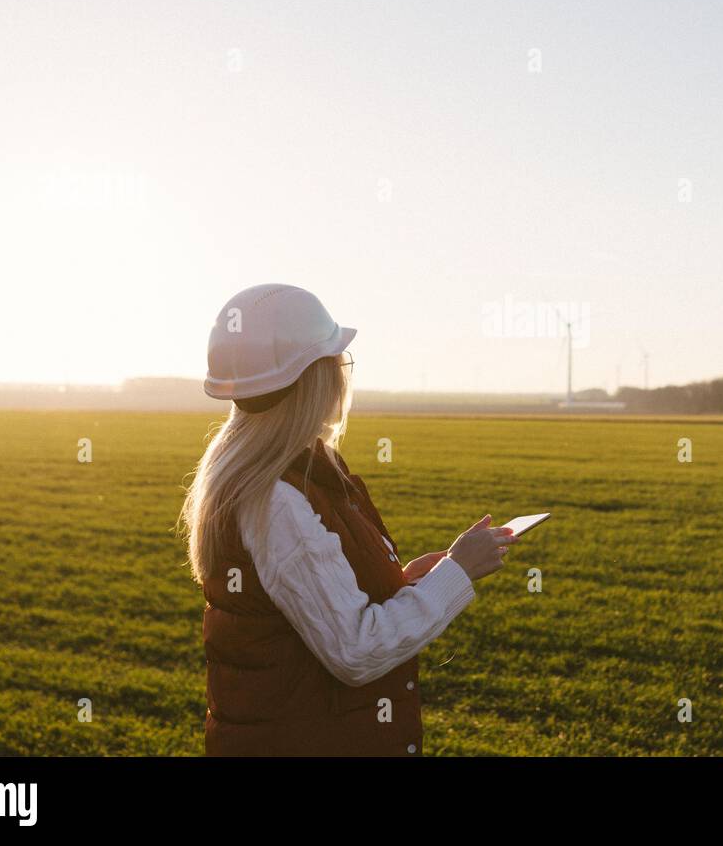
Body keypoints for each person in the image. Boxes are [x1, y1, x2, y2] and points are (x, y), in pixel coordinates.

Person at [179, 283, 516, 755]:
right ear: (316, 377)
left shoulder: (283, 470)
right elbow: (357, 651)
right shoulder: (276, 497)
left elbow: (322, 601)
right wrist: (457, 573)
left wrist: (406, 581)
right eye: (339, 361)